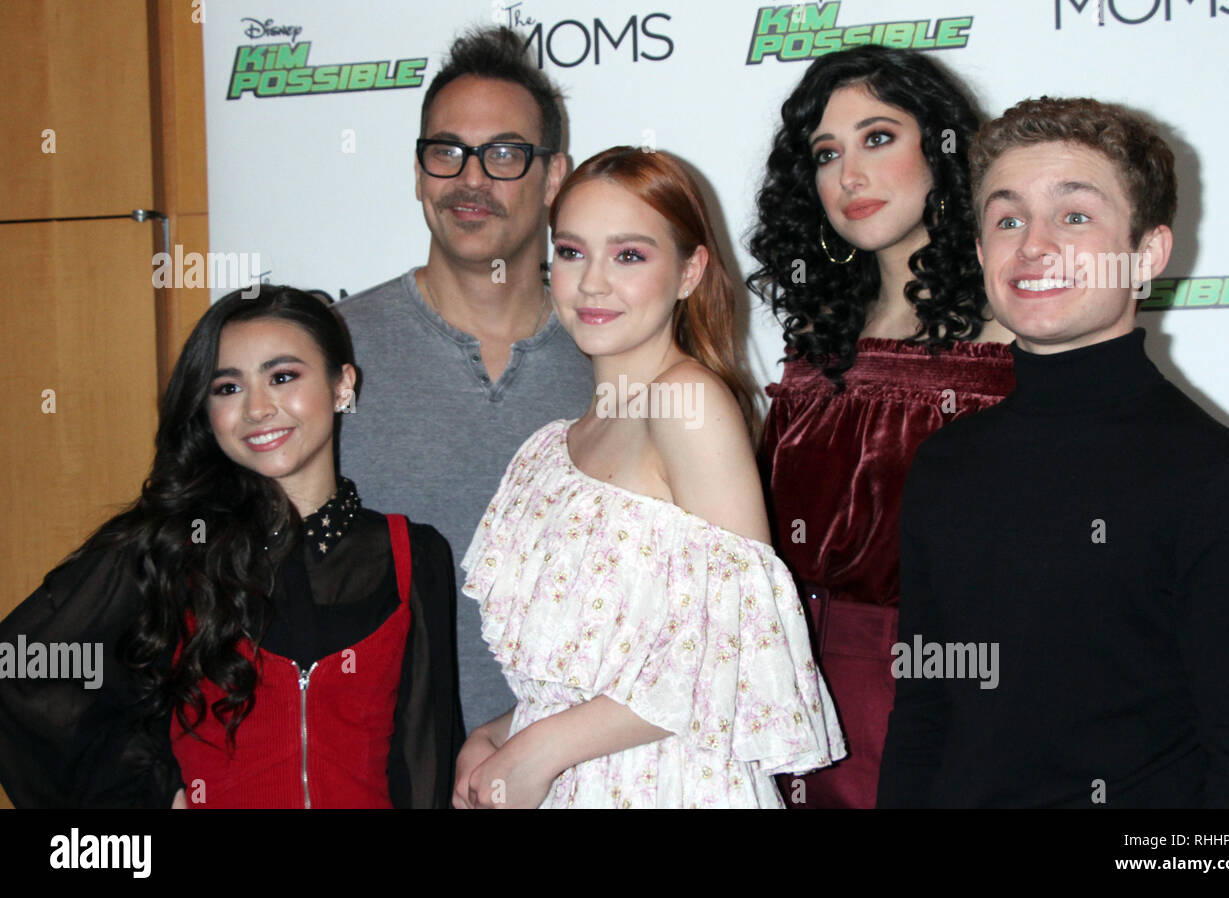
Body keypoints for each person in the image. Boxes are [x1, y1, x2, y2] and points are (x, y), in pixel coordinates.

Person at [877, 97, 1229, 807]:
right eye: (1007, 219)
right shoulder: (945, 462)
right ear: (981, 254)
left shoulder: (1216, 479)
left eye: (1074, 216)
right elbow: (924, 714)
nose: (1033, 245)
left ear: (1146, 254)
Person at [455, 147, 845, 808]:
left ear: (691, 272)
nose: (593, 283)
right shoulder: (549, 448)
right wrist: (497, 735)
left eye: (629, 255)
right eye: (573, 252)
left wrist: (538, 750)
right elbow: (591, 682)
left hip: (672, 786)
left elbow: (737, 646)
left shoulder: (687, 405)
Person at [0, 286, 461, 808]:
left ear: (342, 386)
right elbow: (19, 665)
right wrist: (153, 791)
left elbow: (425, 757)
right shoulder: (174, 548)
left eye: (282, 377)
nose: (258, 408)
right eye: (227, 388)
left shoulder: (412, 554)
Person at [746, 45, 1014, 808]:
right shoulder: (817, 341)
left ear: (943, 146)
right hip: (787, 703)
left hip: (944, 705)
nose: (849, 176)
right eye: (826, 153)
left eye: (878, 137)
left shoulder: (1015, 328)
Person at [335, 26, 593, 736]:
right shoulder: (329, 349)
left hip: (576, 771)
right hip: (377, 770)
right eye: (446, 152)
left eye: (504, 154)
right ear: (419, 173)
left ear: (554, 175)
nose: (470, 180)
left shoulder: (616, 358)